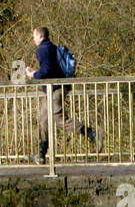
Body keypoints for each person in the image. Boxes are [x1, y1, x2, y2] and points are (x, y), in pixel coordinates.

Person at [28, 26, 102, 164]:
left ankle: (91, 133)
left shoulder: (42, 49)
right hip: (52, 89)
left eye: (34, 37)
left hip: (55, 89)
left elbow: (45, 70)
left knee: (59, 119)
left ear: (40, 36)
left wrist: (33, 74)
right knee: (42, 120)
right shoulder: (52, 47)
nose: (33, 40)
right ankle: (41, 154)